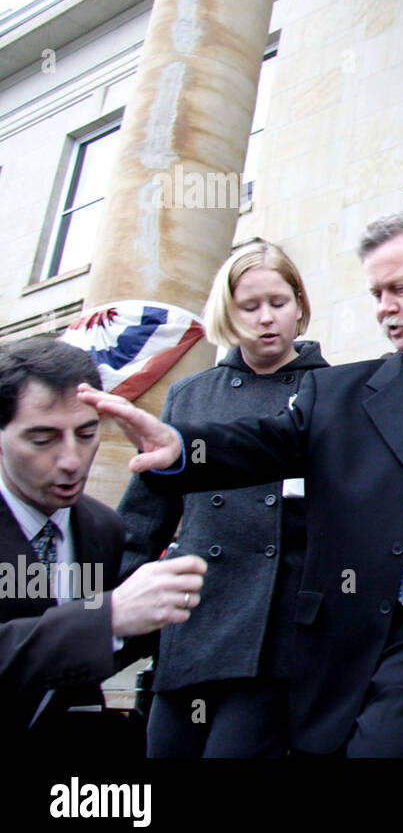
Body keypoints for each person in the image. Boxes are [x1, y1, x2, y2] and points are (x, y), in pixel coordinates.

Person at [81, 210, 403, 757]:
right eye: (376, 293)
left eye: (399, 288)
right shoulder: (338, 393)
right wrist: (182, 449)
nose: (384, 308)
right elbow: (266, 443)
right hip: (346, 616)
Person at [116, 242, 328, 757]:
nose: (265, 319)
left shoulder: (334, 391)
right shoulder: (189, 395)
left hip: (274, 641)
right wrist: (110, 614)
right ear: (227, 313)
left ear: (299, 303)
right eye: (248, 306)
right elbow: (145, 515)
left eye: (277, 302)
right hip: (192, 625)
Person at [0, 338, 206, 749]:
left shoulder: (102, 529)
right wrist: (105, 617)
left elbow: (79, 663)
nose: (72, 459)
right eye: (43, 440)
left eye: (87, 433)